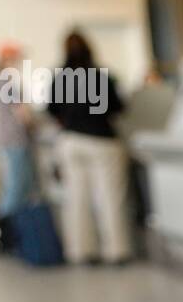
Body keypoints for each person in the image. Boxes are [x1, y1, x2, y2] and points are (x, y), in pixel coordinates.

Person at [45, 31, 132, 265]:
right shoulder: (101, 76)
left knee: (76, 199)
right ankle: (116, 251)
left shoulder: (61, 77)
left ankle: (81, 252)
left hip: (71, 142)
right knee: (109, 197)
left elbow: (52, 110)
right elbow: (118, 107)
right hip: (102, 140)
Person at [0, 41, 34, 222]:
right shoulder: (7, 82)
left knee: (17, 184)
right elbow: (21, 113)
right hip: (15, 140)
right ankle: (4, 227)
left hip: (7, 139)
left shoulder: (0, 81)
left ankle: (12, 227)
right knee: (17, 186)